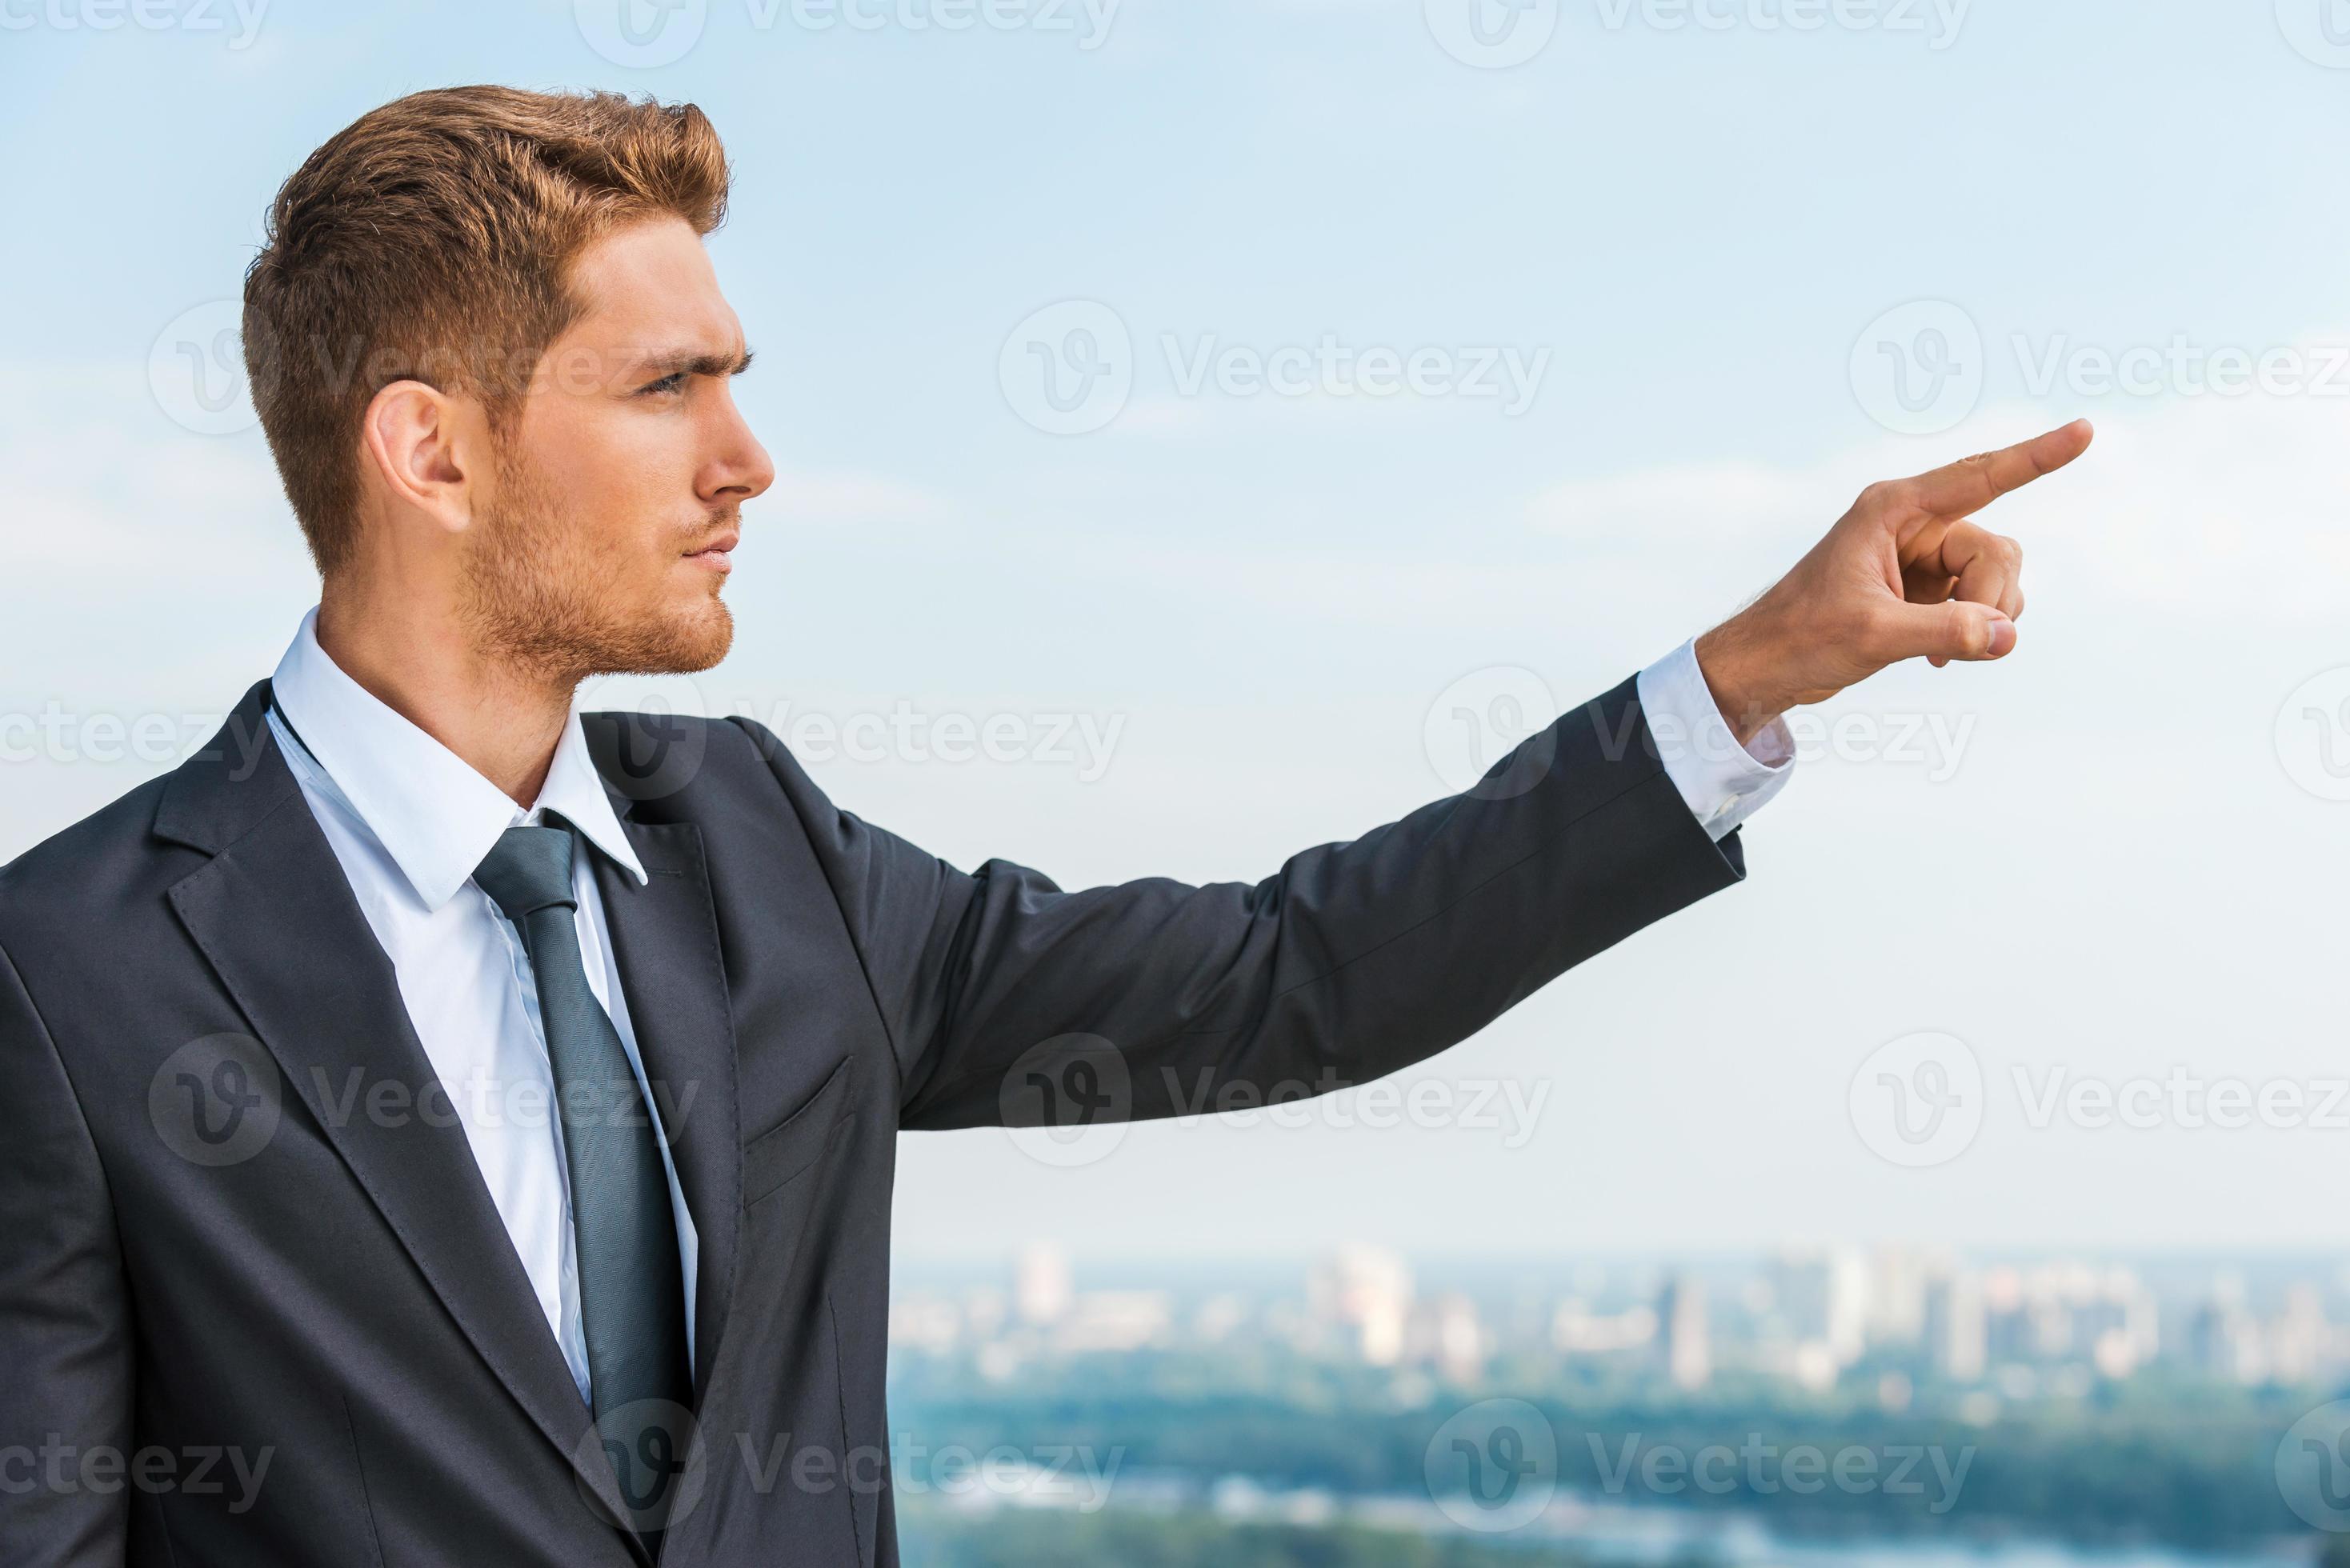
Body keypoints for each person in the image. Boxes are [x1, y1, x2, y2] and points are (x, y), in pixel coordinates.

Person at [0, 86, 2088, 1568]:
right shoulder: (67, 972)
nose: (752, 460)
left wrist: (1735, 682)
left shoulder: (760, 855)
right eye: (668, 389)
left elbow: (1293, 975)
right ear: (429, 454)